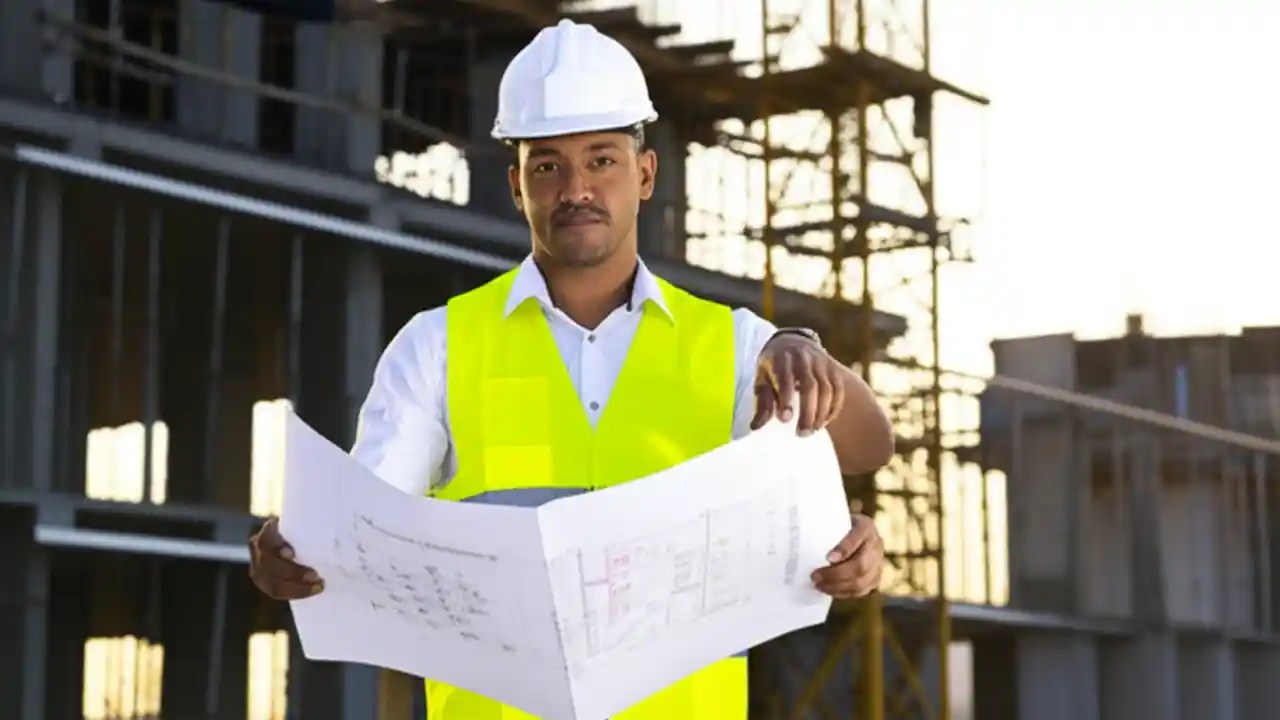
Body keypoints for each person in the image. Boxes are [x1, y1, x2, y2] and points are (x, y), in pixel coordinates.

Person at [248, 18, 893, 719]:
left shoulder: (736, 346)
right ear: (516, 185)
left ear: (644, 174)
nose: (576, 188)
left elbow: (868, 446)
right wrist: (304, 553)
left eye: (601, 160)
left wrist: (809, 352)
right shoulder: (437, 346)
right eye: (547, 166)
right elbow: (368, 528)